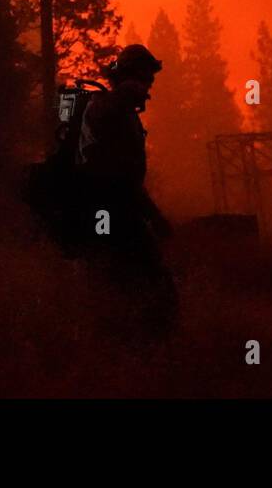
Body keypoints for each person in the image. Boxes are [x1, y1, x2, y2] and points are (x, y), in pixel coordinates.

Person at [76, 44, 176, 333]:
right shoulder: (104, 107)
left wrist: (154, 217)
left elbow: (127, 177)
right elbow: (113, 172)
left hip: (120, 209)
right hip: (106, 211)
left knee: (130, 282)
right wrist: (125, 92)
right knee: (144, 283)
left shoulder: (124, 114)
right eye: (145, 78)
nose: (149, 86)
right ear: (130, 77)